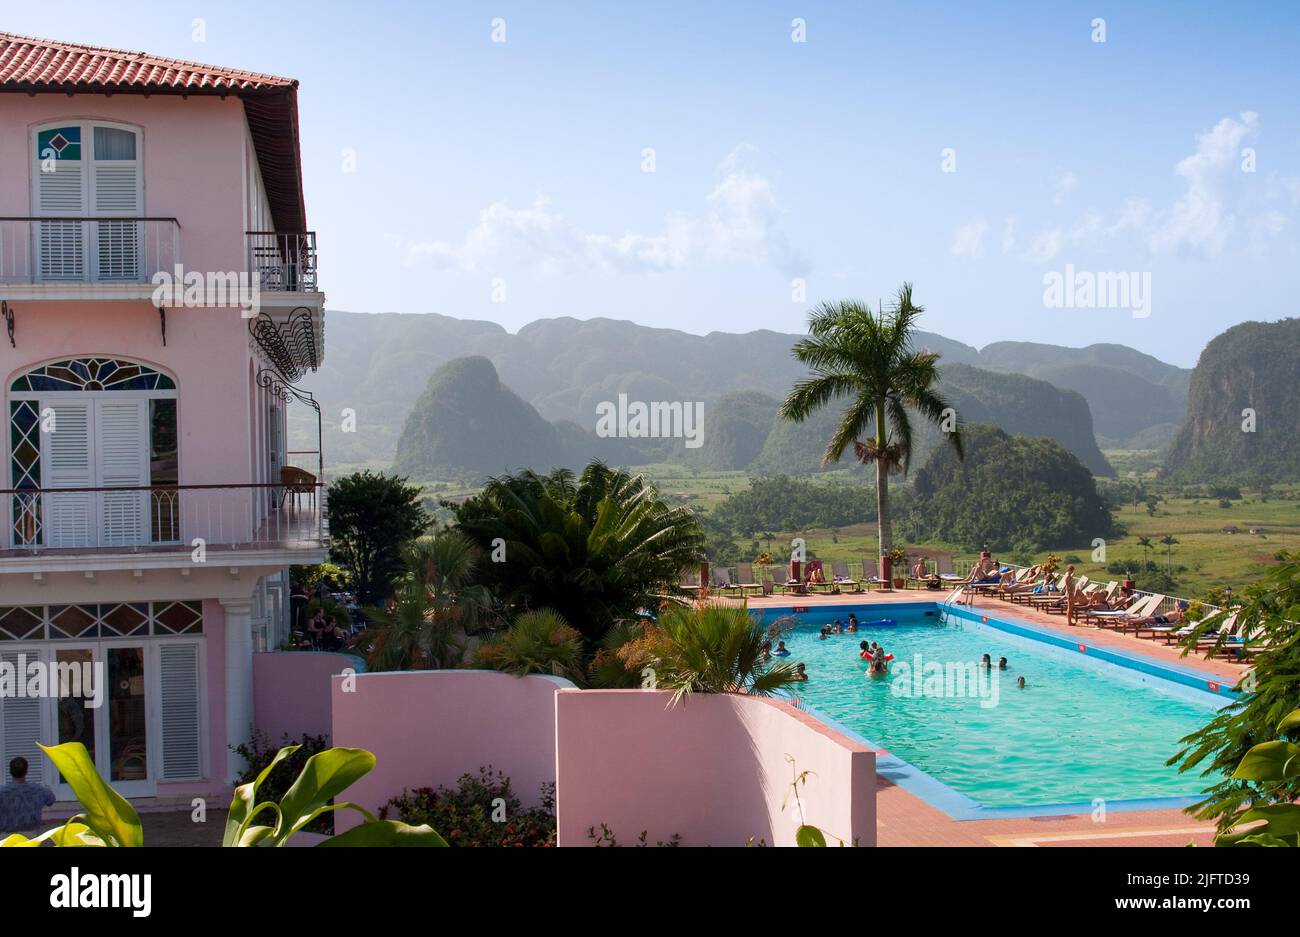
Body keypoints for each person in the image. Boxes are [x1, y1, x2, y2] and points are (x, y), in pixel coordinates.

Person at [0, 756, 56, 833]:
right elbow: (51, 800)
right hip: (32, 837)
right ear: (26, 772)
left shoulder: (1, 791)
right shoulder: (39, 789)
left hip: (7, 837)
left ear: (10, 772)